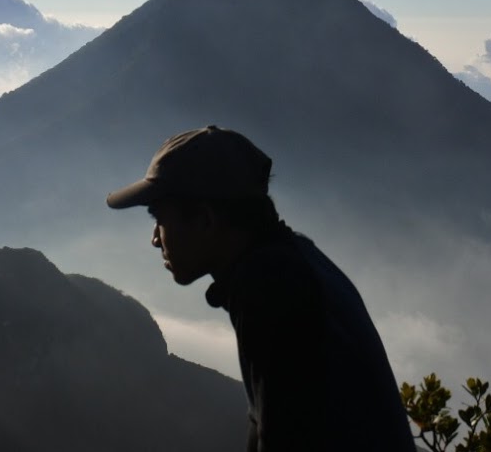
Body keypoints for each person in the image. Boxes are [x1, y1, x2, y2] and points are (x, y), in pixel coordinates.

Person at [107, 125, 414, 452]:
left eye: (159, 219)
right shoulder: (294, 260)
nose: (155, 239)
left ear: (205, 220)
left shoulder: (269, 287)